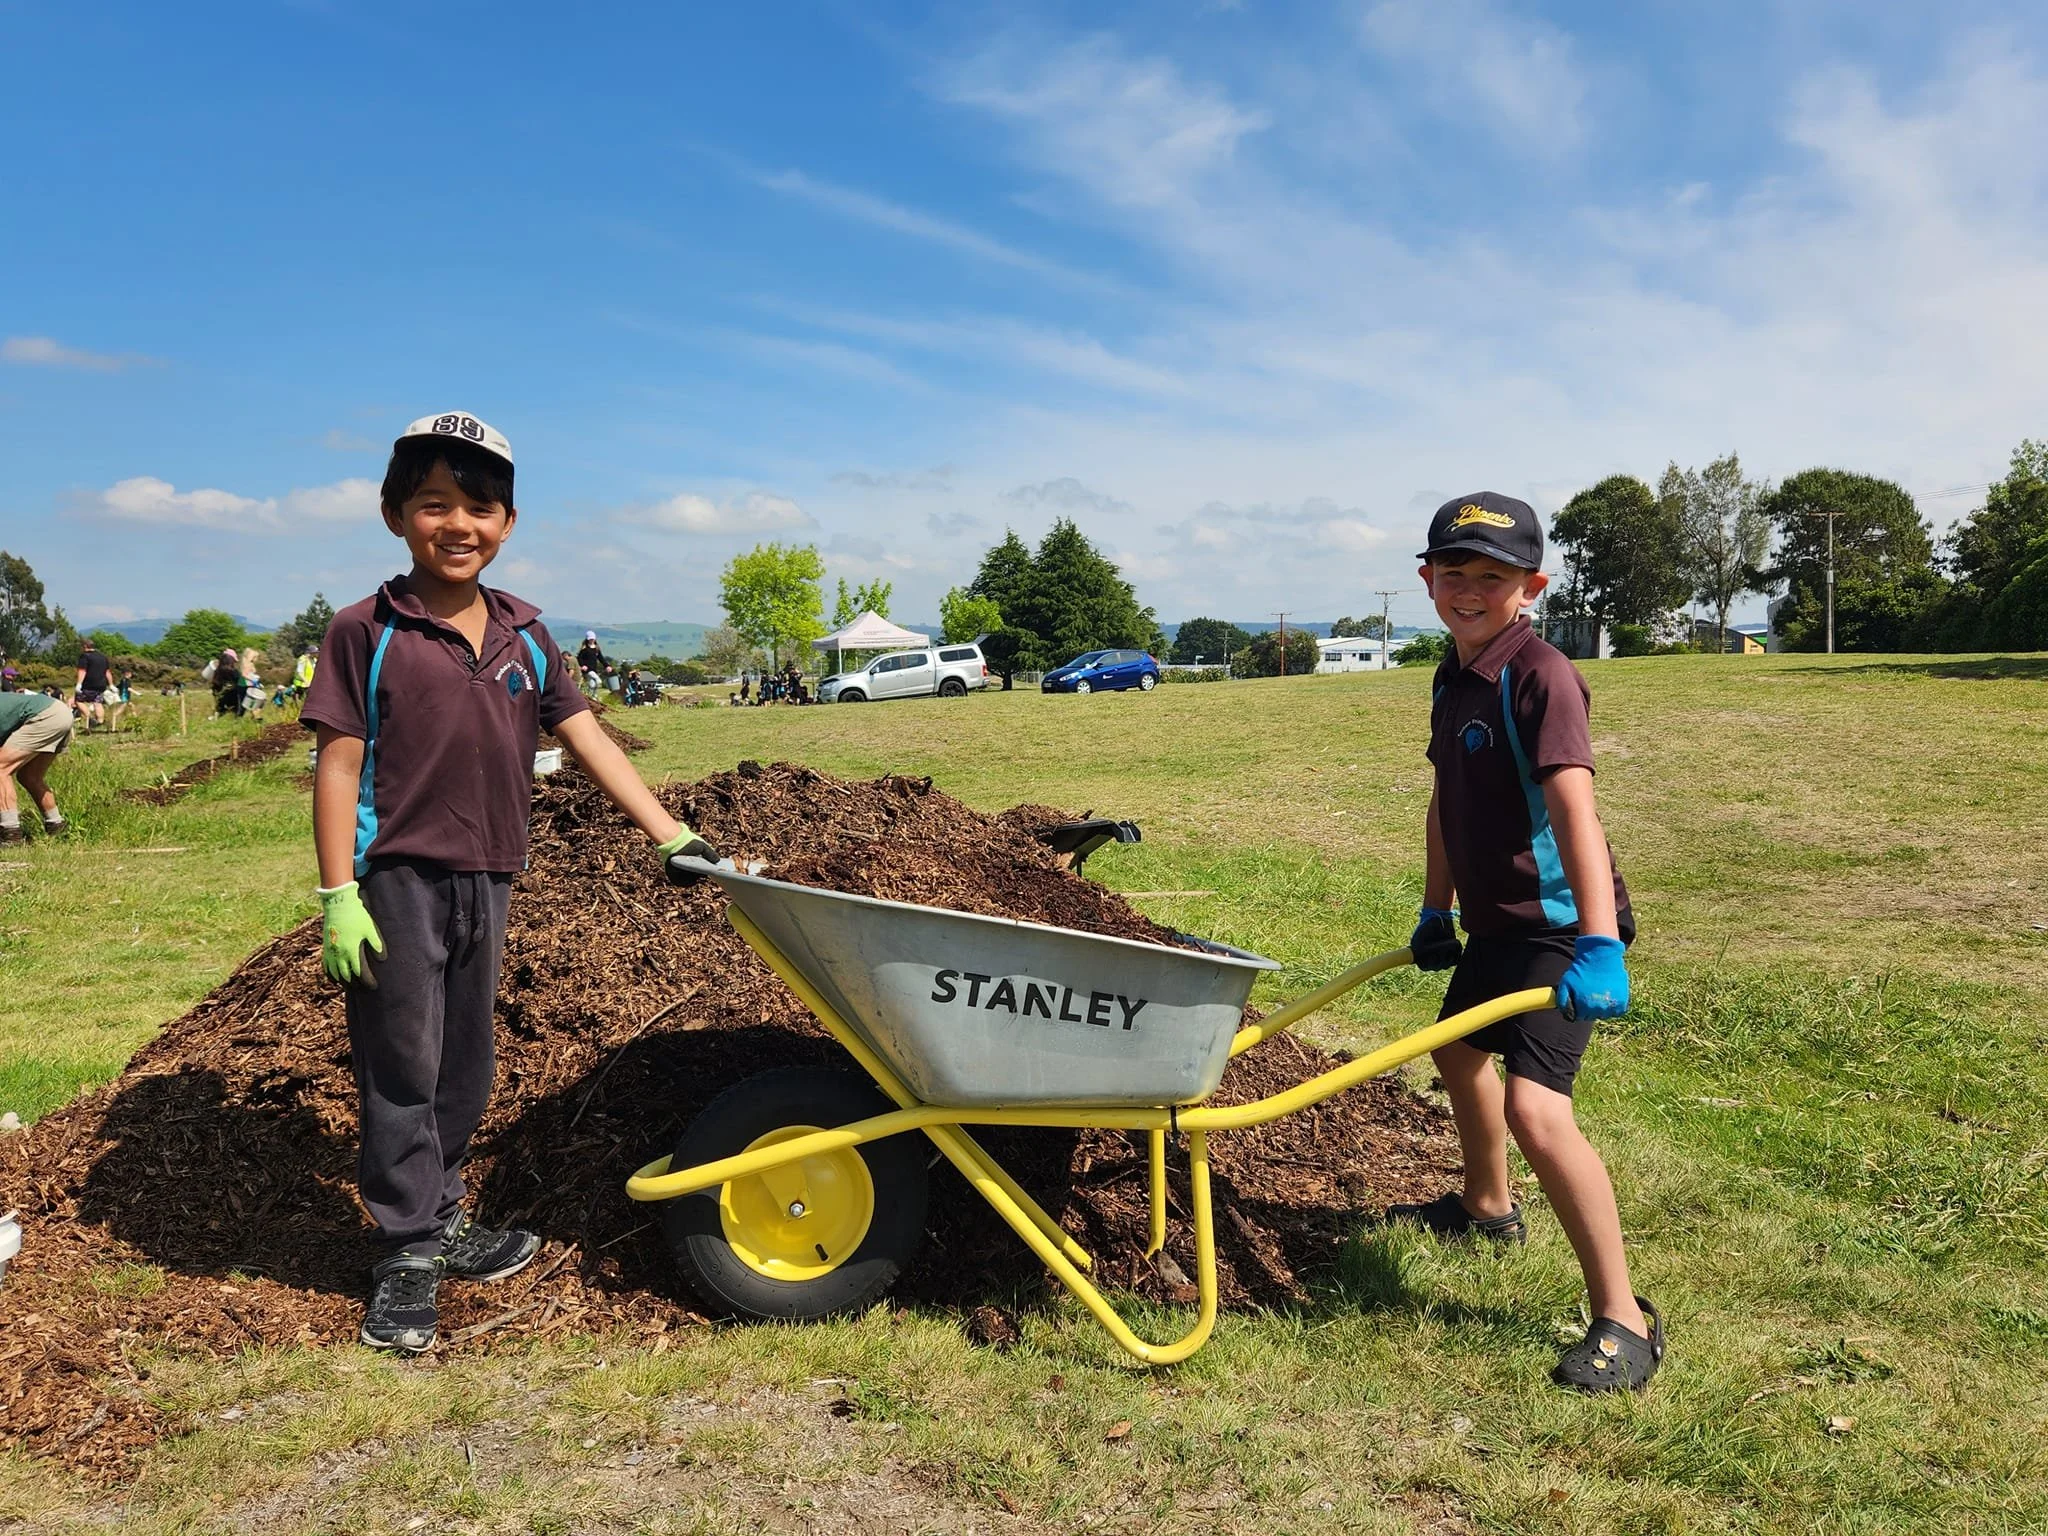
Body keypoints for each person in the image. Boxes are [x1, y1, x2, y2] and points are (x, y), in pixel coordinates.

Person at [301, 411, 719, 1355]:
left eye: (481, 508)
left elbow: (586, 738)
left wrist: (670, 834)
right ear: (394, 515)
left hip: (490, 878)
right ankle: (407, 1249)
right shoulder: (365, 630)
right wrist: (337, 894)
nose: (460, 525)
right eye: (435, 504)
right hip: (395, 881)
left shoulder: (528, 634)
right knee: (400, 1062)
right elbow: (336, 765)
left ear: (510, 522)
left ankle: (441, 1213)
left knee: (465, 1062)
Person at [1386, 492, 1661, 1394]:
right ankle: (1487, 1205)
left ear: (1530, 585)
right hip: (1495, 926)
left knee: (1539, 1112)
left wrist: (1597, 941)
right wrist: (1437, 909)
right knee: (1461, 1059)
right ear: (1427, 579)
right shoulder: (1451, 674)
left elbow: (1575, 806)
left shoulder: (1538, 673)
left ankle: (1624, 1316)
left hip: (1558, 932)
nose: (1469, 591)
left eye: (1492, 577)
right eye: (1453, 573)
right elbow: (1445, 803)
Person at [0, 687, 73, 843]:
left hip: (45, 716)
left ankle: (11, 832)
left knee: (1, 768)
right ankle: (56, 826)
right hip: (61, 712)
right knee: (29, 776)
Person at [73, 638, 113, 732]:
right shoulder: (103, 657)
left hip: (88, 685)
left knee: (78, 701)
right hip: (101, 685)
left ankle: (89, 718)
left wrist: (79, 683)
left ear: (85, 646)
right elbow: (107, 672)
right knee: (97, 703)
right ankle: (100, 722)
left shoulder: (85, 656)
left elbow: (82, 671)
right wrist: (111, 684)